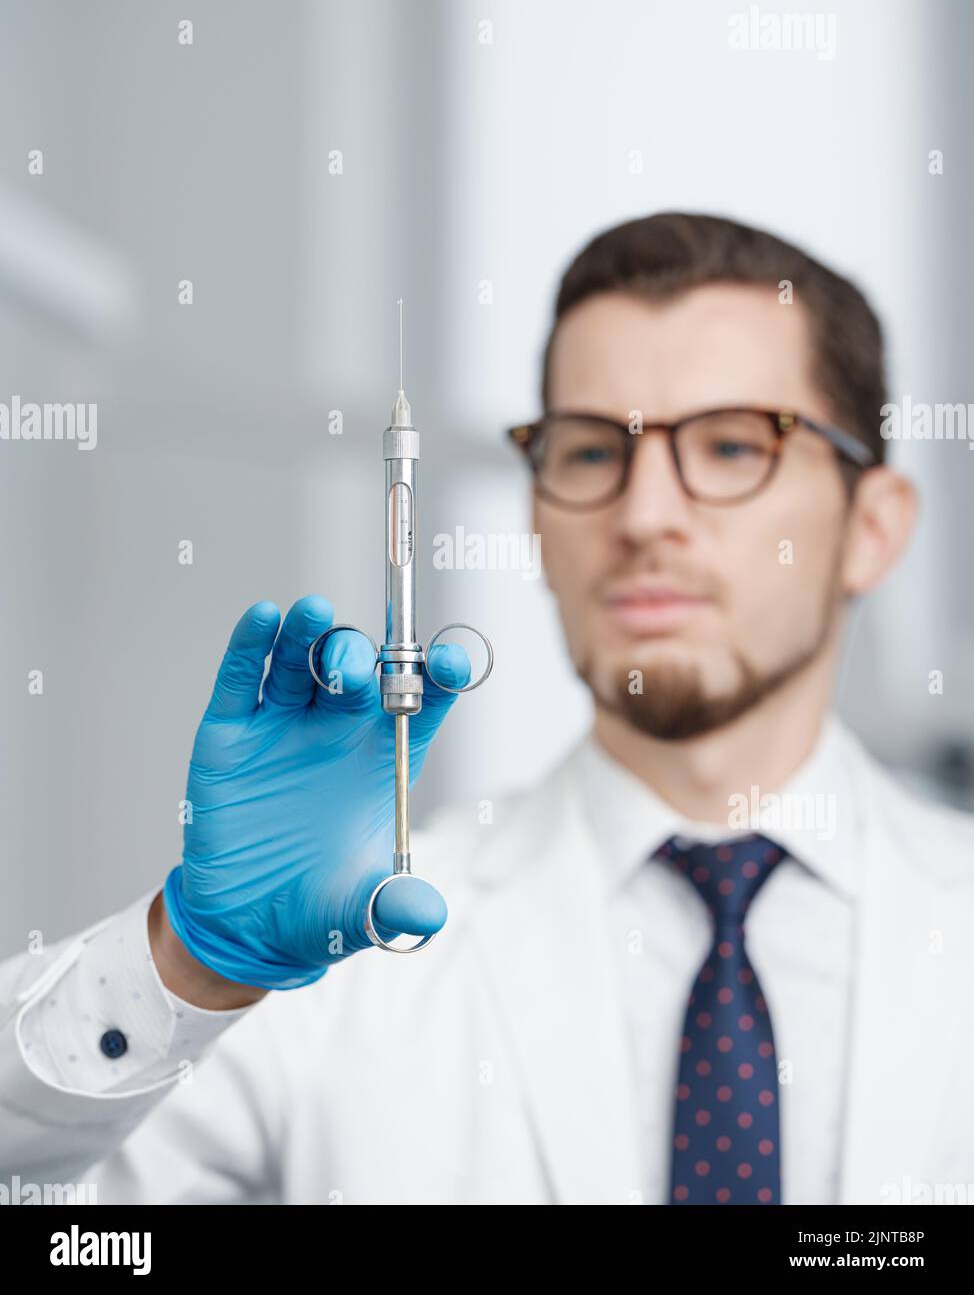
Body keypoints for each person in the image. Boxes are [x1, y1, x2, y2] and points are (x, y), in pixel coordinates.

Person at [2, 212, 971, 1206]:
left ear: (872, 526)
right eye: (590, 453)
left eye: (729, 447)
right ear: (537, 519)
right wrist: (182, 966)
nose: (642, 516)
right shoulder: (341, 956)